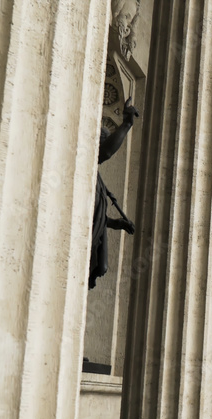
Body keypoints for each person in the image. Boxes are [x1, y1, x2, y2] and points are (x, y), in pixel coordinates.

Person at [89, 98, 138, 289]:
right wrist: (125, 125)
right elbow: (107, 152)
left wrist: (115, 223)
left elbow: (94, 215)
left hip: (92, 240)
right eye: (103, 141)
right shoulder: (86, 172)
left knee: (101, 266)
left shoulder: (97, 180)